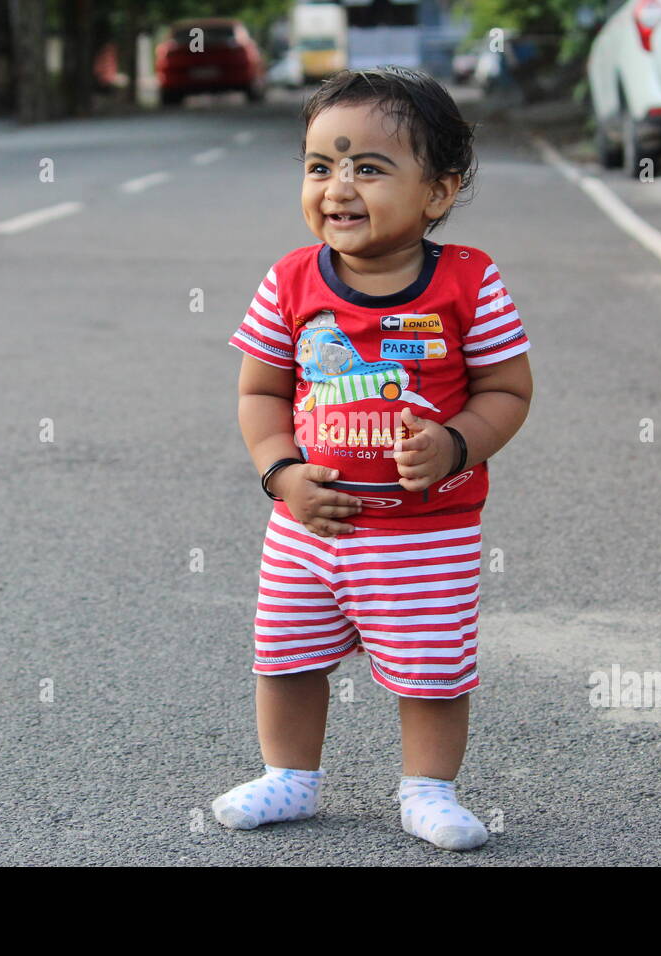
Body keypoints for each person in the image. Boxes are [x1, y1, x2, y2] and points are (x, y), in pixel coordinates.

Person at [218, 67, 533, 851]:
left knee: (432, 672)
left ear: (438, 191)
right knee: (284, 657)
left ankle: (429, 791)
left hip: (428, 535)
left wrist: (457, 442)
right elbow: (260, 393)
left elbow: (508, 390)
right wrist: (281, 474)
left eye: (369, 167)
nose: (338, 186)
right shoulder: (291, 281)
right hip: (309, 530)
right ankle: (289, 777)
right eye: (321, 166)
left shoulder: (469, 282)